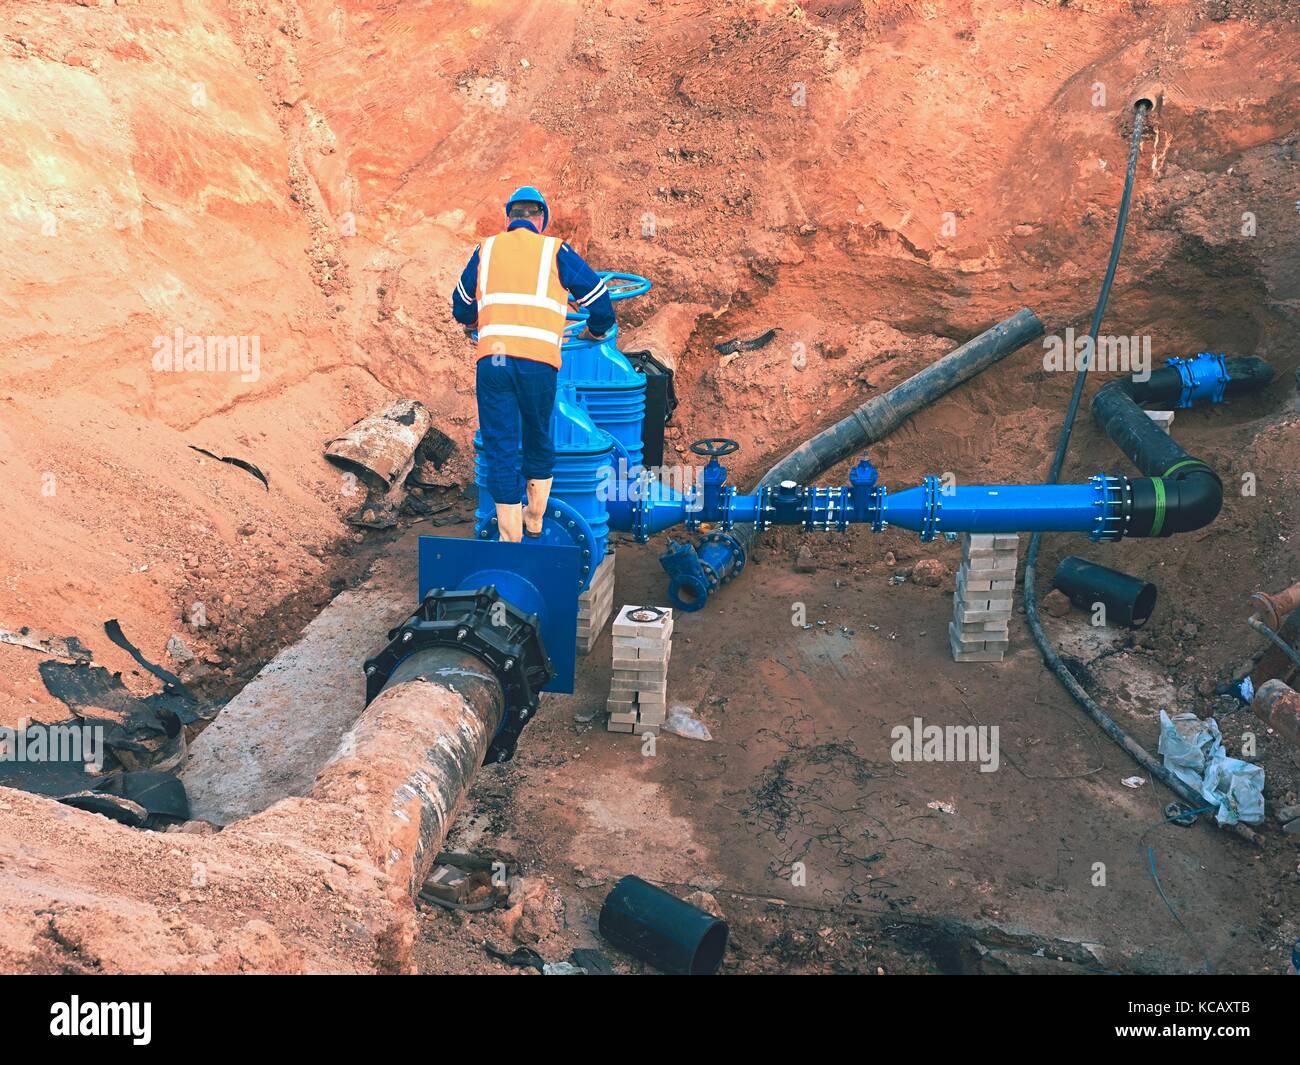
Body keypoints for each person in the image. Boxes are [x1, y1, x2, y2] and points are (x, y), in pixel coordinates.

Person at [451, 185, 616, 541]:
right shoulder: (556, 251)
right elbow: (601, 302)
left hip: (493, 364)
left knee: (500, 444)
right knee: (539, 436)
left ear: (508, 218)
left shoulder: (487, 250)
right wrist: (595, 331)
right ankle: (536, 521)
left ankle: (510, 538)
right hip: (539, 364)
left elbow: (461, 306)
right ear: (541, 219)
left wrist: (471, 326)